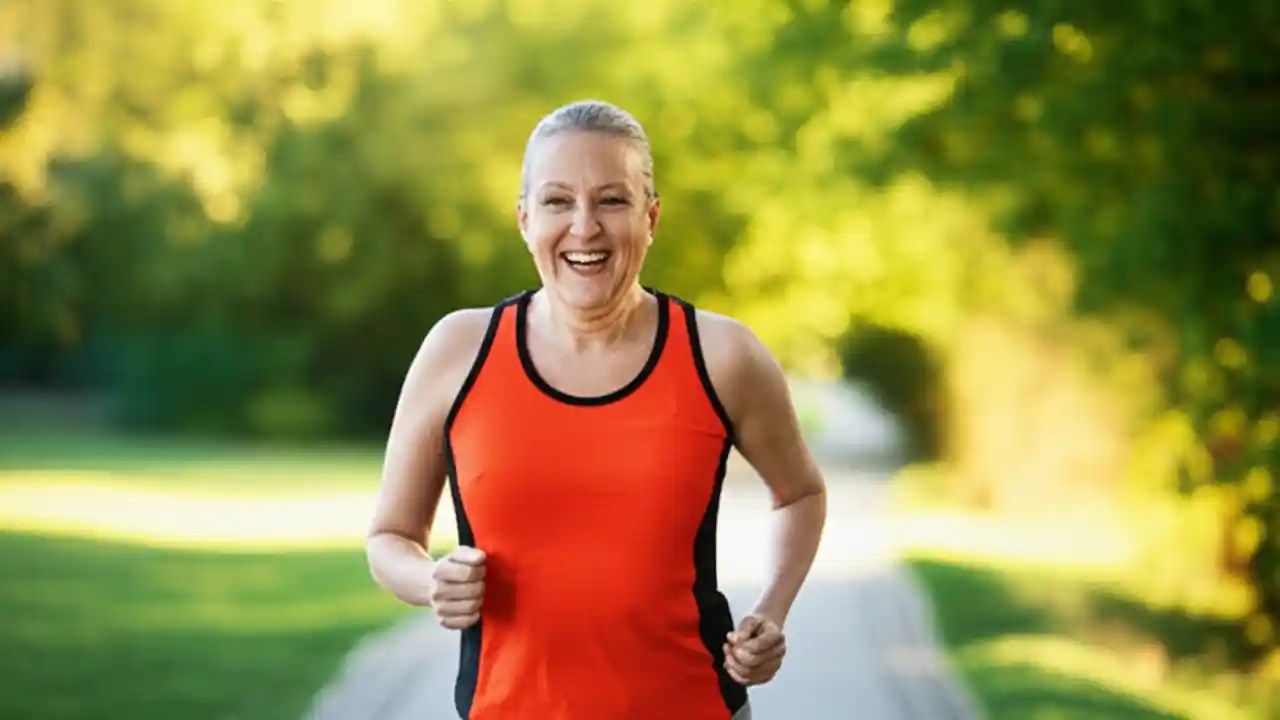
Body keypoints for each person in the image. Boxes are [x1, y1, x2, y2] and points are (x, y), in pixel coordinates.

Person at [366, 99, 827, 720]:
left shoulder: (721, 355)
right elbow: (390, 538)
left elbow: (799, 494)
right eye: (558, 201)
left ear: (651, 216)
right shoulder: (459, 350)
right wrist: (430, 583)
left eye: (612, 200)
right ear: (525, 219)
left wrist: (769, 614)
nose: (585, 228)